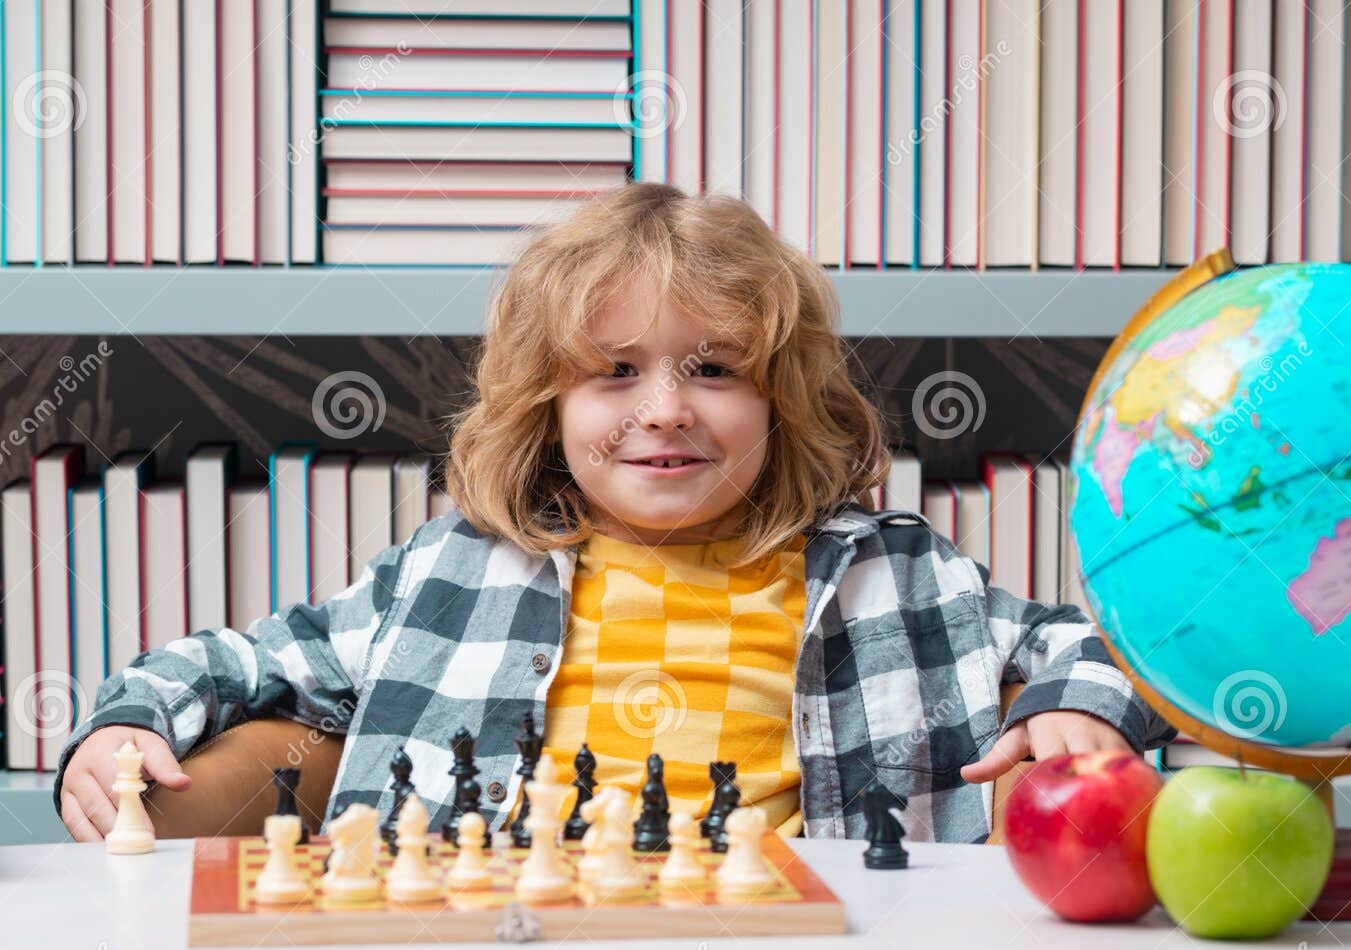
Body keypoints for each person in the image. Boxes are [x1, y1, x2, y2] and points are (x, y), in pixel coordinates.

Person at [55, 182, 1175, 845]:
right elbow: (245, 660)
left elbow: (1102, 643)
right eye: (614, 372)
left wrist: (1079, 709)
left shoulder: (897, 569)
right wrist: (122, 722)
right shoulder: (455, 570)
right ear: (547, 404)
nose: (664, 411)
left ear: (781, 401)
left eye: (713, 368)